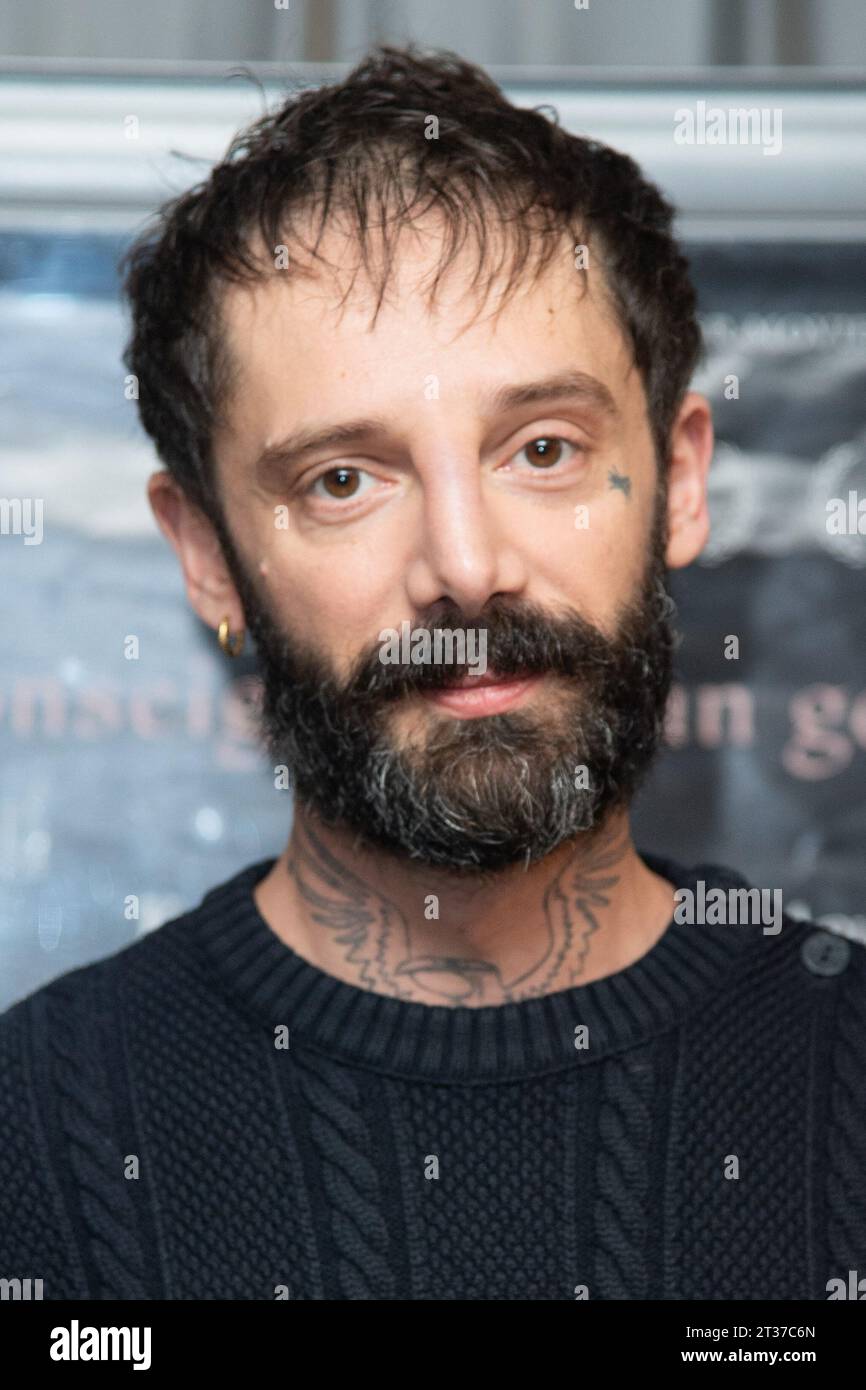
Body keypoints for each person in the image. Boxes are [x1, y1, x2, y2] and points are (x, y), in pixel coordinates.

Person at [1, 45, 862, 1301]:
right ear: (208, 557)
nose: (465, 569)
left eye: (543, 448)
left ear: (678, 482)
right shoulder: (33, 1145)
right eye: (342, 478)